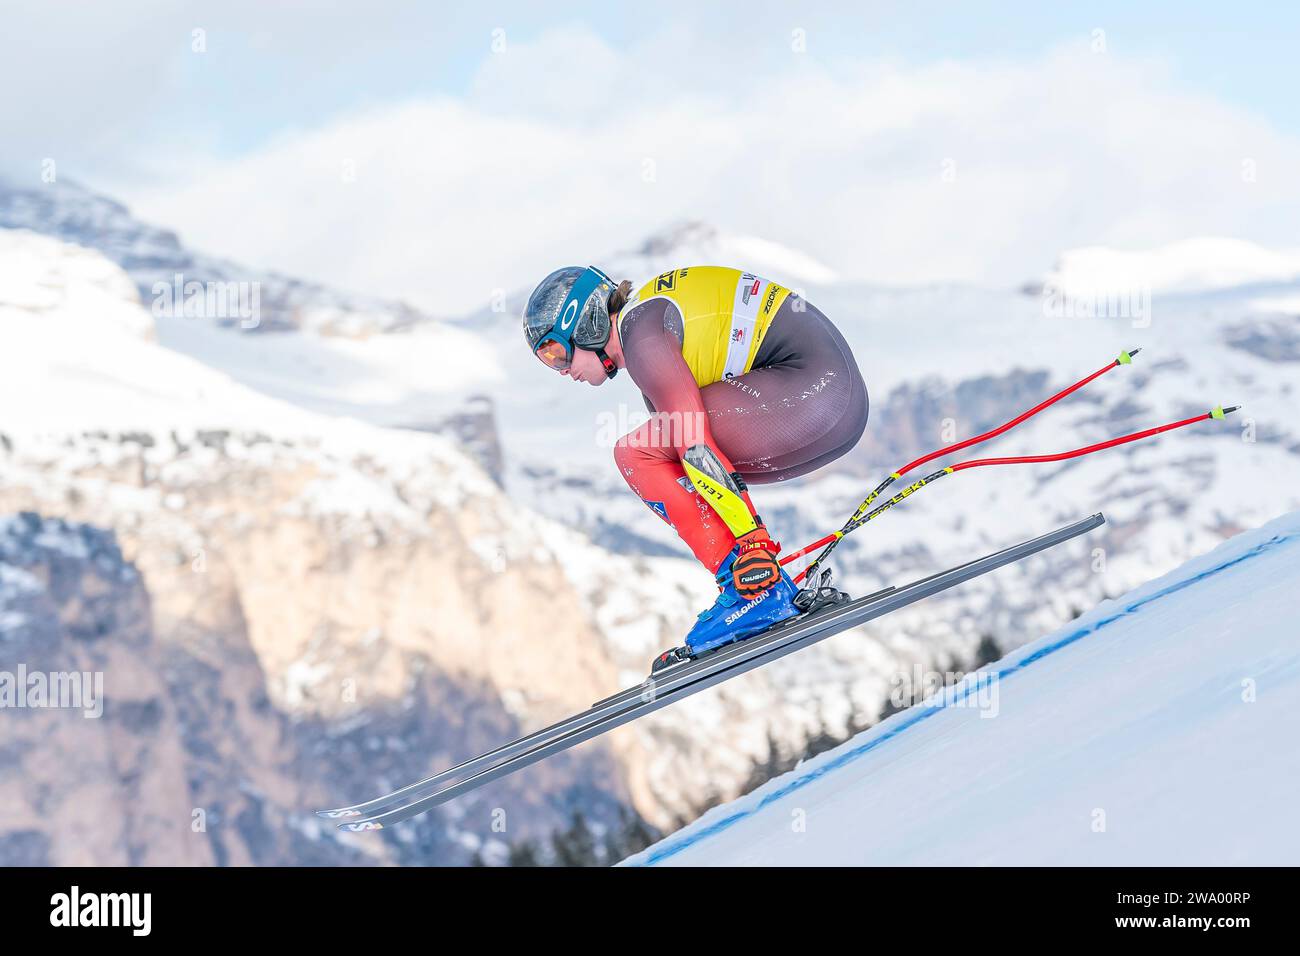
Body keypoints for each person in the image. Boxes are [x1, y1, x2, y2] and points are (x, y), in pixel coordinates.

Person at [523, 265, 868, 667]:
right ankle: (754, 584)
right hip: (830, 405)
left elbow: (695, 444)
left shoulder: (643, 336)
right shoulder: (648, 326)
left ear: (587, 324)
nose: (562, 371)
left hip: (814, 397)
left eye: (556, 353)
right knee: (666, 445)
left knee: (639, 453)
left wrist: (753, 543)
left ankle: (754, 589)